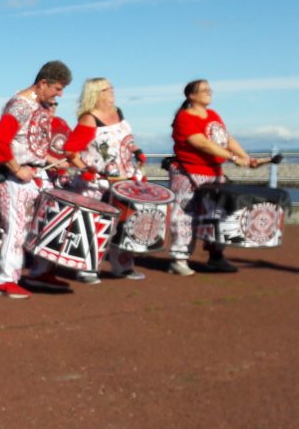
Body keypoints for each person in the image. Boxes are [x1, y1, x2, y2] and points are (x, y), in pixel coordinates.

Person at [0, 60, 73, 299]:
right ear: (43, 83)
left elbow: (31, 145)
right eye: (57, 88)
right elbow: (0, 142)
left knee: (46, 223)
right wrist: (17, 169)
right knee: (16, 229)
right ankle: (4, 280)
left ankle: (39, 272)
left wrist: (51, 160)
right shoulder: (20, 106)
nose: (61, 94)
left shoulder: (40, 106)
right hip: (18, 177)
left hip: (37, 175)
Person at [167, 79, 257, 275]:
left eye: (210, 89)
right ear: (191, 95)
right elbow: (202, 144)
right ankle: (179, 259)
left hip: (213, 173)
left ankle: (216, 256)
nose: (209, 92)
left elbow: (226, 139)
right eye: (204, 90)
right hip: (188, 174)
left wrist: (245, 156)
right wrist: (233, 158)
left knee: (218, 215)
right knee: (185, 215)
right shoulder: (185, 118)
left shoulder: (213, 115)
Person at [63, 78, 148, 282]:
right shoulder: (89, 119)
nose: (112, 91)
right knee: (93, 224)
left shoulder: (118, 112)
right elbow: (70, 150)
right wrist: (85, 170)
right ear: (96, 93)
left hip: (124, 178)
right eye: (106, 89)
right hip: (97, 183)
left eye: (111, 87)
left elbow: (125, 139)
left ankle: (124, 265)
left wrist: (137, 151)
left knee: (126, 223)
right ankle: (86, 268)